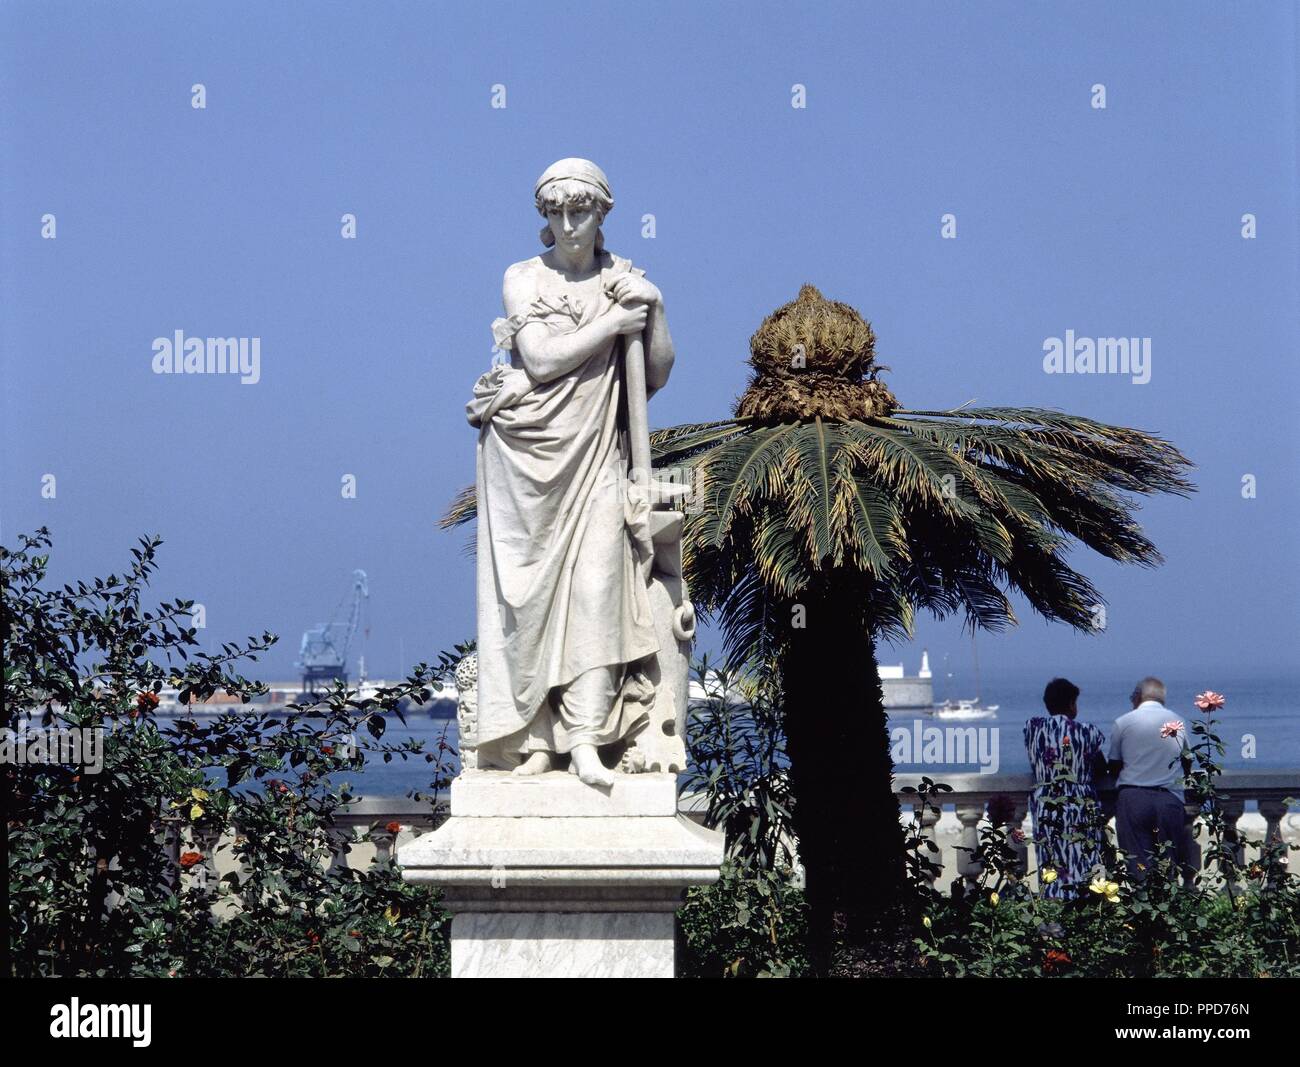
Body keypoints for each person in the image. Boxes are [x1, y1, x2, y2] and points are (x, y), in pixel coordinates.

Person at [466, 158, 675, 787]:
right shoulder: (523, 277)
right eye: (554, 211)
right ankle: (534, 736)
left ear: (602, 212)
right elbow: (540, 356)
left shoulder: (627, 281)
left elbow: (656, 373)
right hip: (525, 453)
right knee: (527, 601)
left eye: (579, 209)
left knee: (598, 592)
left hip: (598, 458)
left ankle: (585, 737)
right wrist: (612, 323)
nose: (566, 222)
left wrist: (654, 310)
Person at [1024, 677, 1108, 898]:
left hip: (1046, 803)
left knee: (1050, 860)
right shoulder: (1086, 732)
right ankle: (1083, 908)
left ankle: (1053, 911)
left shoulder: (1033, 728)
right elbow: (1101, 766)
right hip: (1080, 803)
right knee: (1085, 857)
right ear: (1072, 704)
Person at [1108, 676, 1191, 878]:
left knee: (1138, 866)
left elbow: (1114, 764)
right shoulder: (1177, 722)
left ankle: (1142, 906)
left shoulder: (1123, 722)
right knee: (1168, 864)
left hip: (1133, 799)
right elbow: (1187, 760)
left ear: (1138, 697)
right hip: (1169, 799)